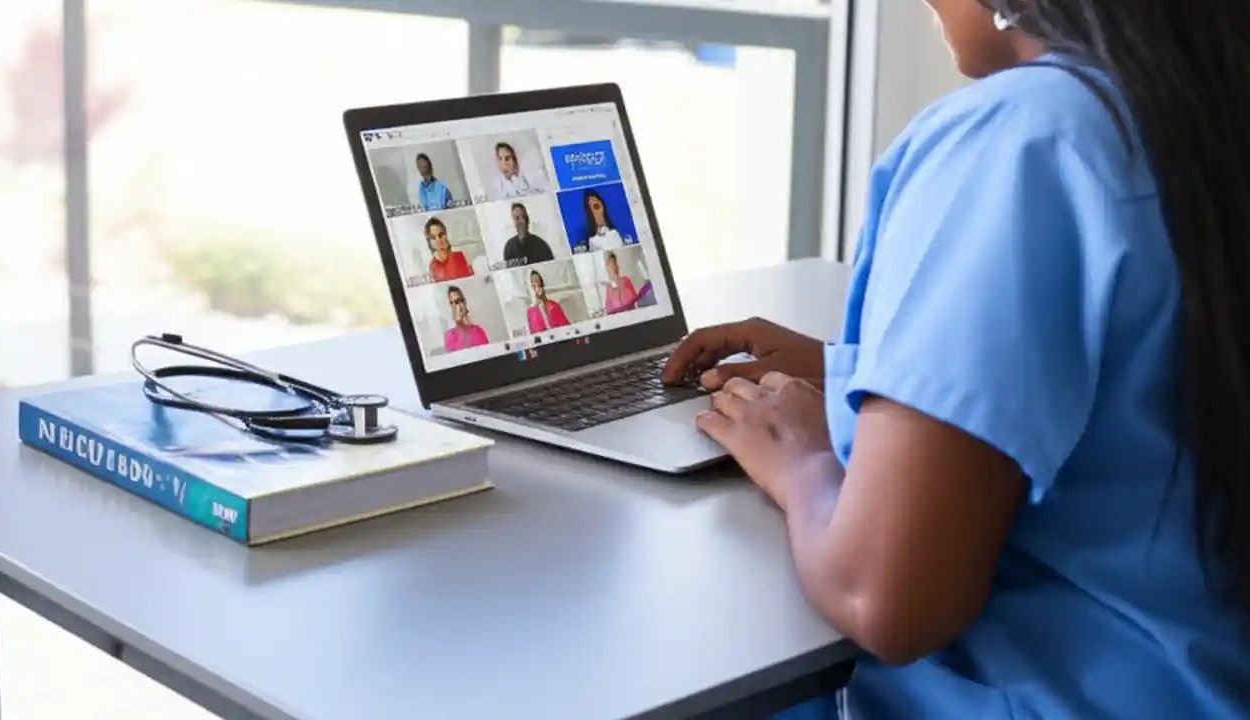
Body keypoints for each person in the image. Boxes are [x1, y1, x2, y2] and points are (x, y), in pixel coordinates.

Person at [660, 2, 1250, 719]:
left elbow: (886, 598)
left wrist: (806, 462)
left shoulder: (1023, 137)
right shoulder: (1200, 105)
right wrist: (876, 376)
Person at [502, 203, 555, 267]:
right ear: (514, 222)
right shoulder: (509, 246)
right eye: (517, 218)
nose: (522, 221)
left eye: (524, 217)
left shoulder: (541, 244)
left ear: (528, 219)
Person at [424, 217, 473, 283]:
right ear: (429, 241)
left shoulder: (459, 255)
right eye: (433, 237)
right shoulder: (432, 266)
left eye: (441, 235)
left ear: (446, 235)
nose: (438, 240)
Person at [443, 285, 488, 352]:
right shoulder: (450, 336)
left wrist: (462, 324)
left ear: (464, 302)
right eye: (453, 303)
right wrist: (460, 323)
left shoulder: (478, 331)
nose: (457, 306)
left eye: (458, 301)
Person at [602, 251, 637, 315]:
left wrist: (622, 290)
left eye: (614, 263)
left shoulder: (626, 280)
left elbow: (635, 298)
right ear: (607, 268)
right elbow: (608, 310)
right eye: (610, 264)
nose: (613, 266)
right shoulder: (609, 288)